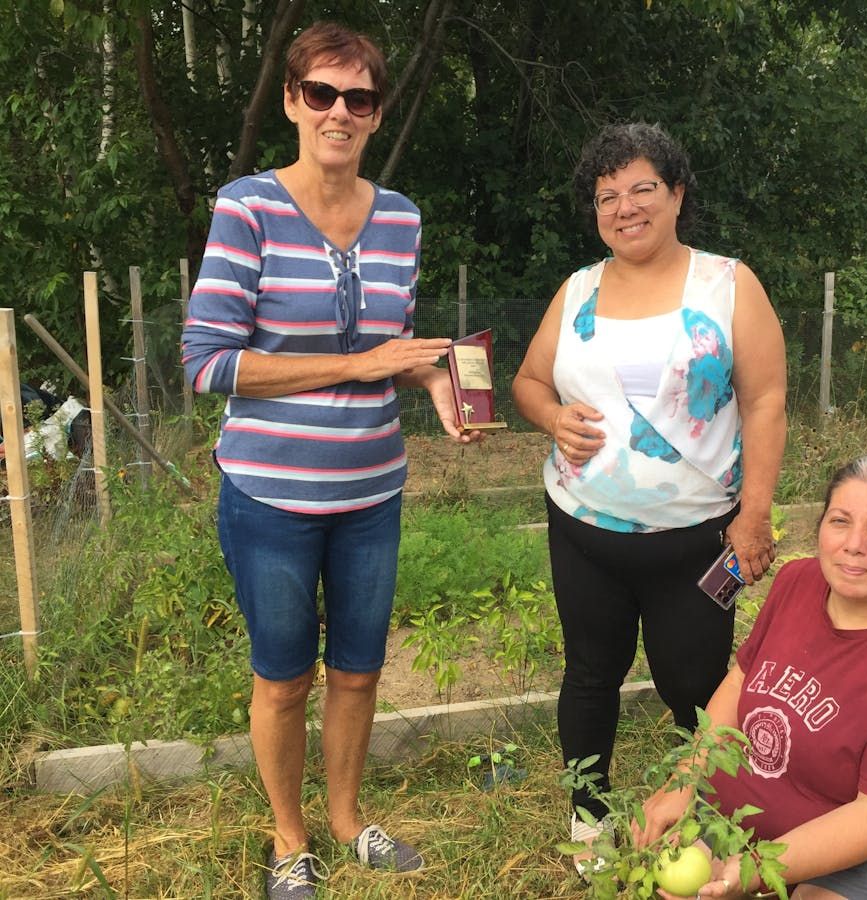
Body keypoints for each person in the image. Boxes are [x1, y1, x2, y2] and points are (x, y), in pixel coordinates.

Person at [180, 21, 481, 899]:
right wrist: (357, 366)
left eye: (359, 97)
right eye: (322, 93)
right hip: (269, 493)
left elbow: (399, 348)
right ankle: (288, 839)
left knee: (358, 668)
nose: (339, 112)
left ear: (377, 113)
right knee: (284, 678)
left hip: (371, 488)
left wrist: (434, 385)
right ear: (291, 101)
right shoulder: (248, 207)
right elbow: (206, 363)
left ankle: (348, 818)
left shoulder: (401, 218)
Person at [511, 122, 788, 864]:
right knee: (590, 671)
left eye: (642, 189)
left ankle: (691, 812)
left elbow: (764, 401)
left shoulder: (728, 284)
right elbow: (529, 382)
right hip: (582, 528)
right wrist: (551, 415)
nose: (625, 207)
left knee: (696, 687)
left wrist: (754, 515)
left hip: (700, 540)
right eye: (608, 195)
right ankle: (589, 817)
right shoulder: (577, 291)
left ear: (676, 196)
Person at [635, 454, 867, 900]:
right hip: (752, 821)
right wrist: (687, 778)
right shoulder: (798, 581)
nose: (854, 544)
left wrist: (754, 869)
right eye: (840, 521)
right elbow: (739, 683)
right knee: (661, 856)